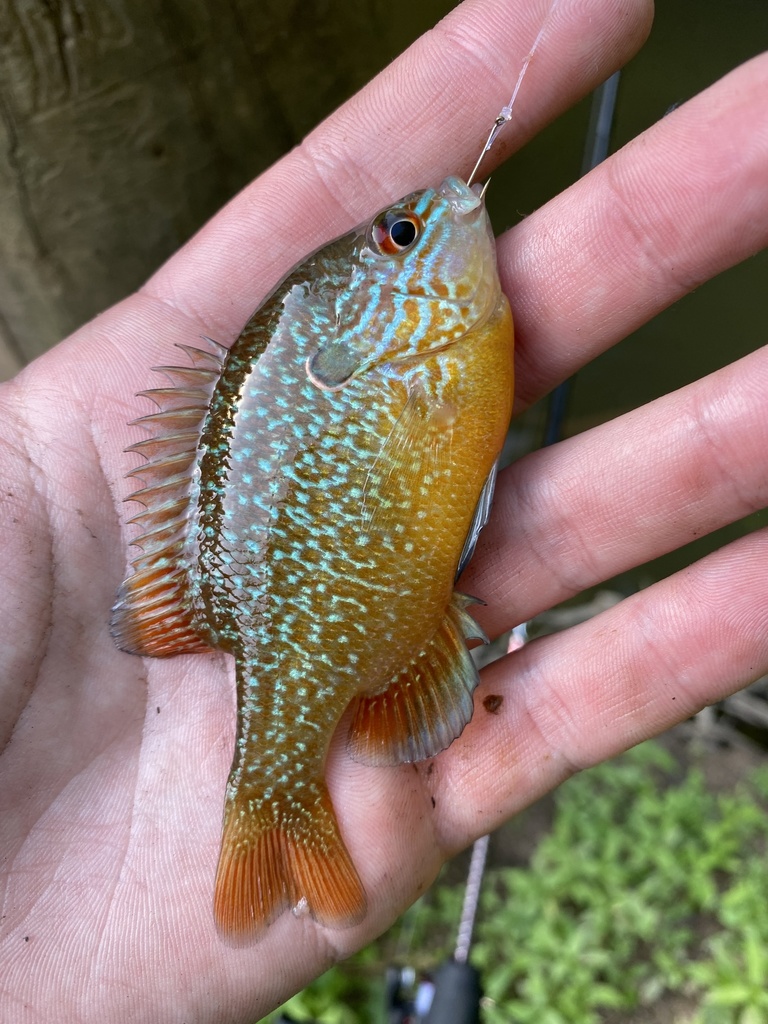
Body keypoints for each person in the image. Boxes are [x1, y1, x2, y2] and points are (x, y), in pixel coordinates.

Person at [1, 0, 766, 1020]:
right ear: (352, 327)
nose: (438, 216)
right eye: (404, 234)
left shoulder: (414, 354)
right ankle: (271, 798)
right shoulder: (411, 359)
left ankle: (276, 802)